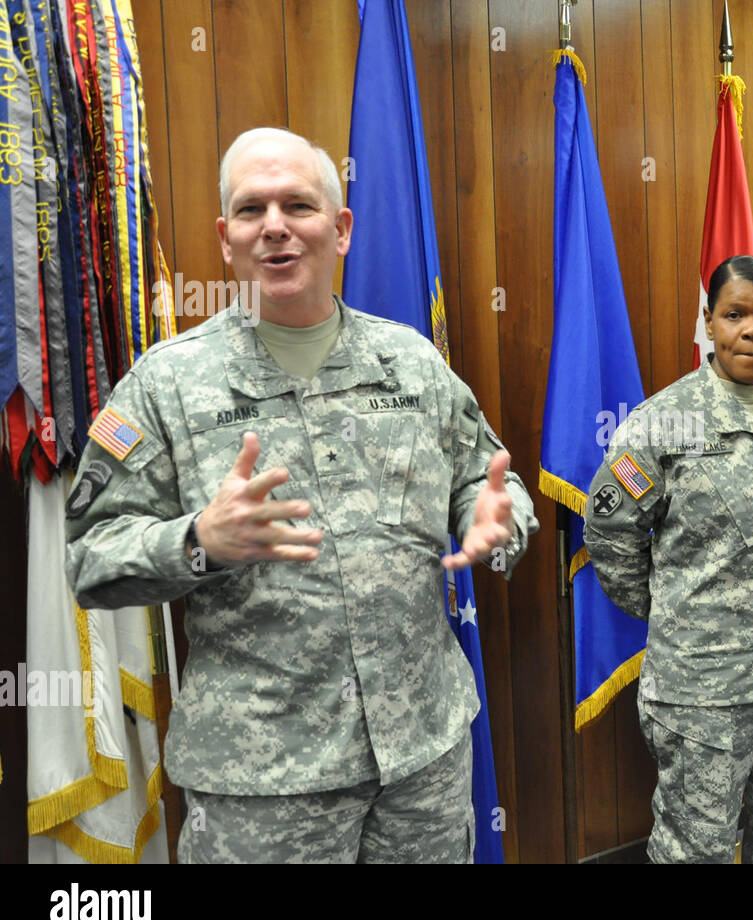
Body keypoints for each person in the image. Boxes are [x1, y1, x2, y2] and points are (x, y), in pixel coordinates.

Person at [63, 128, 539, 863]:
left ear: (341, 229)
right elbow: (89, 558)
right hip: (264, 784)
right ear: (226, 239)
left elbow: (487, 478)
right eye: (251, 210)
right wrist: (198, 541)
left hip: (421, 763)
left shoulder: (410, 361)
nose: (276, 226)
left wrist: (493, 516)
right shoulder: (166, 385)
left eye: (298, 205)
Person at [583, 255, 753, 864]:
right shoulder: (661, 423)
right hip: (703, 689)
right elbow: (609, 532)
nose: (752, 329)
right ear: (709, 322)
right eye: (735, 315)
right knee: (694, 850)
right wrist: (674, 611)